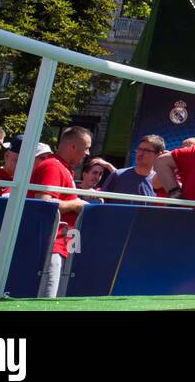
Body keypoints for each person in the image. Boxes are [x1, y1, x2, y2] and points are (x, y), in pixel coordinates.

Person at [30, 126, 93, 298]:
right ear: (73, 146)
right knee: (45, 301)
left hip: (61, 244)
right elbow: (43, 204)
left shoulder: (61, 167)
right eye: (86, 147)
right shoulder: (52, 166)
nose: (88, 153)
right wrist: (75, 204)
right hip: (51, 244)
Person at [101, 135, 163, 200]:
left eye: (146, 150)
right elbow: (100, 201)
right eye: (139, 149)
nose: (140, 153)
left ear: (158, 155)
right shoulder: (117, 175)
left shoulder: (159, 183)